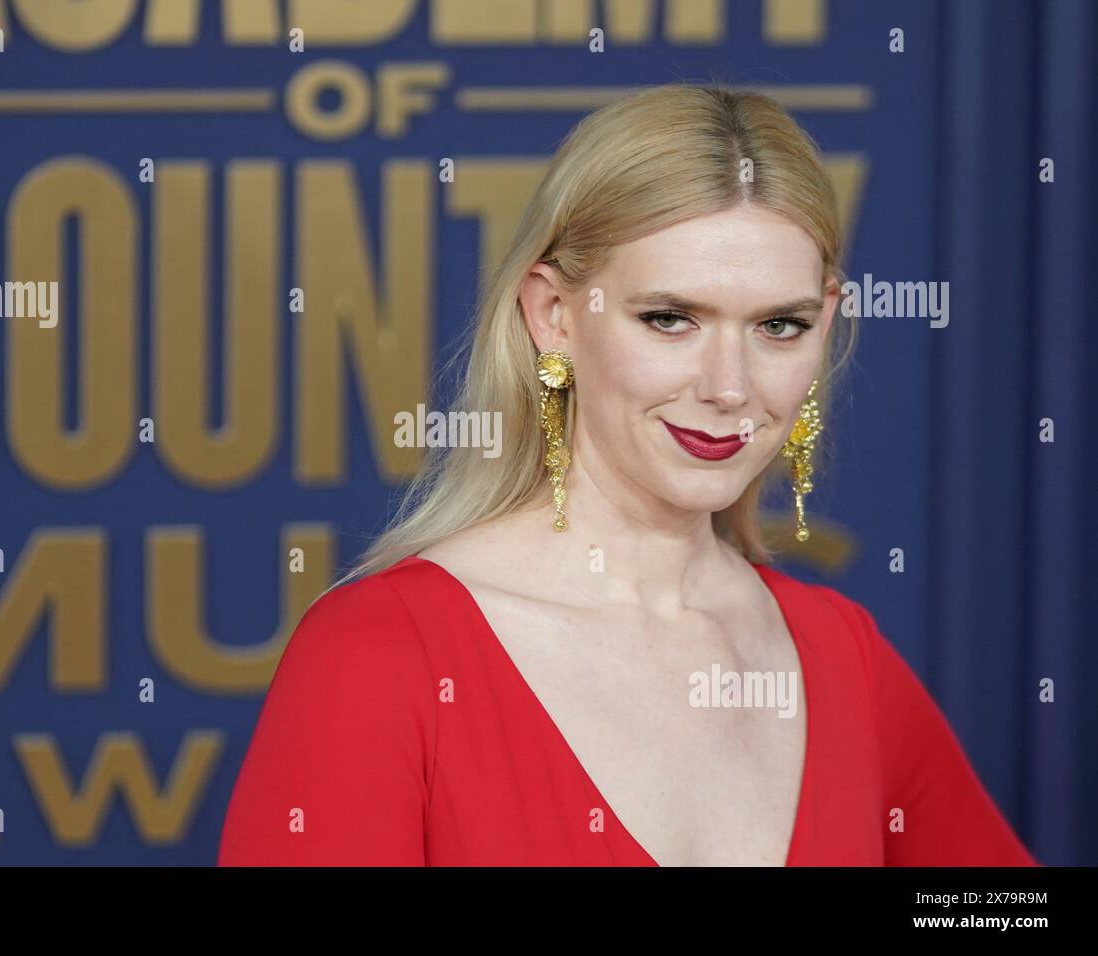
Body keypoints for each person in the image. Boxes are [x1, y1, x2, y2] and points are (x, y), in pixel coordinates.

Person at [217, 85, 1038, 866]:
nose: (729, 386)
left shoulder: (839, 656)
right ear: (554, 316)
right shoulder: (380, 655)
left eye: (779, 326)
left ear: (826, 318)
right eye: (670, 319)